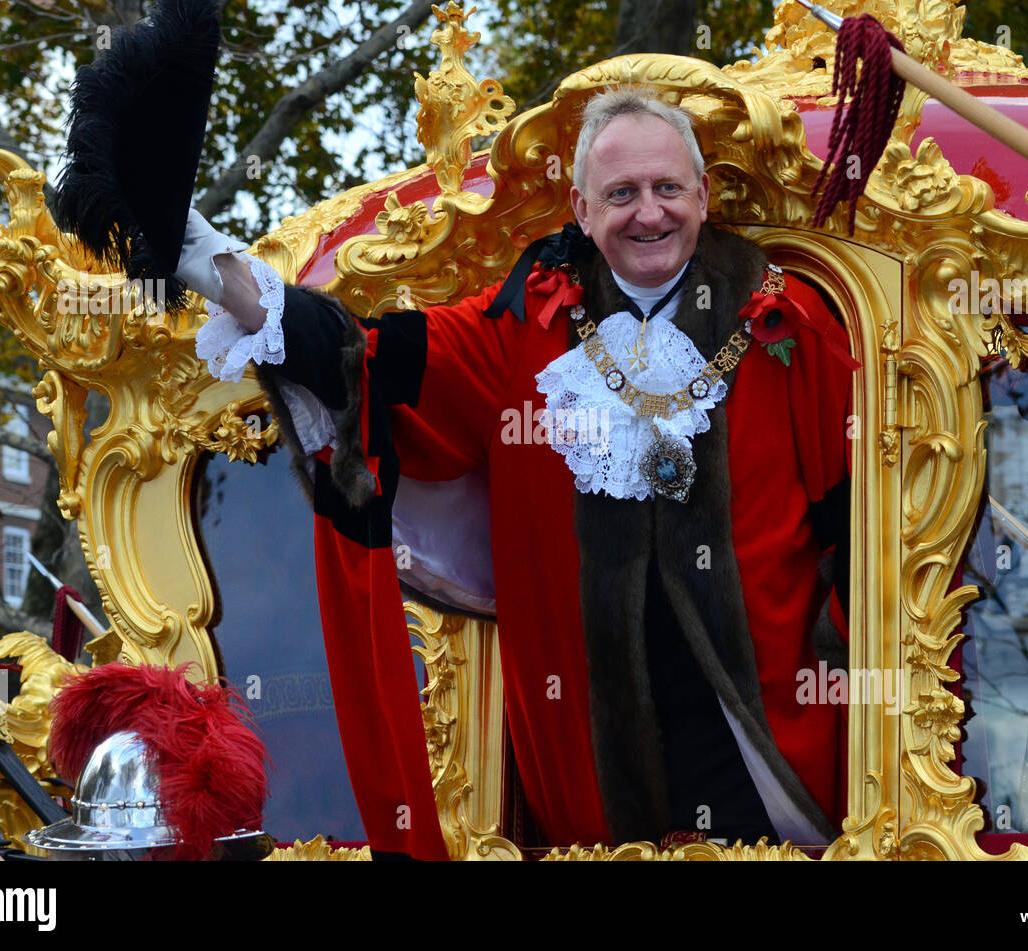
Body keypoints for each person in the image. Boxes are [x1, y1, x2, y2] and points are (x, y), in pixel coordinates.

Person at [192, 88, 857, 860]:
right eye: (621, 194)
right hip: (588, 766)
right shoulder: (519, 327)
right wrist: (220, 271)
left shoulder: (788, 323)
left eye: (668, 187)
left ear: (703, 195)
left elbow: (859, 528)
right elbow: (368, 358)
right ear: (580, 207)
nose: (649, 213)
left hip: (764, 741)